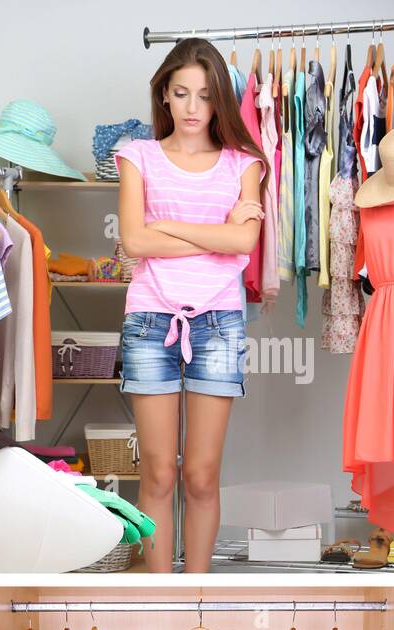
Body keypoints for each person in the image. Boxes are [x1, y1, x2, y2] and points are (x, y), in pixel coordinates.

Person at [116, 37, 268, 572]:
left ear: (218, 100)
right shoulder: (136, 156)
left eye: (204, 96)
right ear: (164, 95)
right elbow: (134, 243)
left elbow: (244, 245)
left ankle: (198, 593)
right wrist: (216, 233)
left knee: (201, 474)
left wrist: (168, 227)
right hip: (150, 318)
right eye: (180, 93)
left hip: (219, 324)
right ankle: (158, 601)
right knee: (157, 474)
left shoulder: (243, 162)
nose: (191, 108)